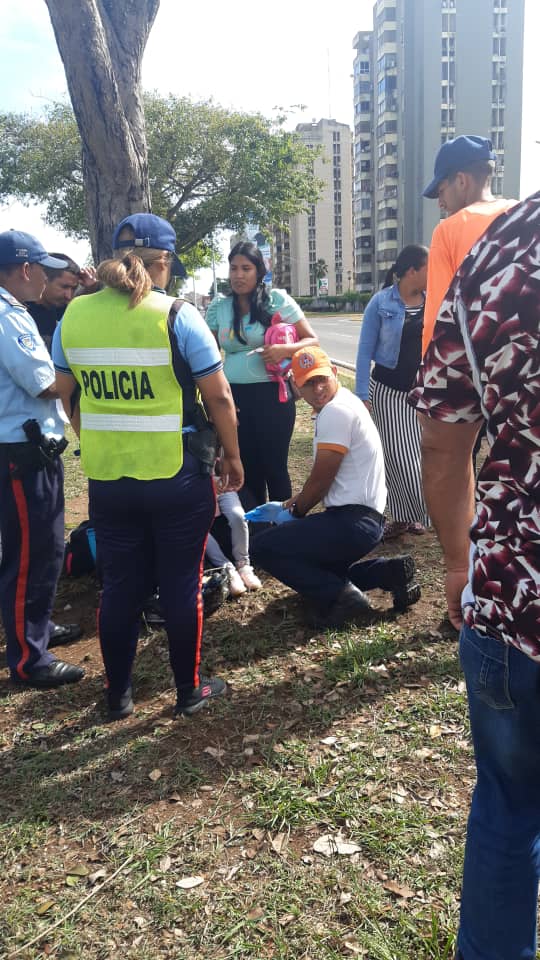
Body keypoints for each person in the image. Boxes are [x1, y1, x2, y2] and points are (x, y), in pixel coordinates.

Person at [409, 192, 540, 960]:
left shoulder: (494, 254)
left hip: (509, 595)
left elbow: (441, 446)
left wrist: (459, 566)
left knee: (507, 806)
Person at [53, 213, 243, 721]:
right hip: (176, 474)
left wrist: (91, 436)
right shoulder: (177, 313)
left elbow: (64, 396)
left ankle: (117, 697)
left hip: (109, 478)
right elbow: (219, 396)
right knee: (181, 582)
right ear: (163, 262)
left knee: (119, 586)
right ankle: (188, 690)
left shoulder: (74, 316)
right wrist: (234, 454)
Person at [251, 347, 420, 627]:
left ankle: (342, 598)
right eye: (309, 383)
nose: (317, 389)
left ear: (334, 373)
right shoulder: (345, 403)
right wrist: (287, 504)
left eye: (322, 380)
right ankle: (386, 573)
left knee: (263, 547)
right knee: (322, 567)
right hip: (365, 520)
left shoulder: (335, 412)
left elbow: (321, 480)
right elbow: (330, 479)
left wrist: (294, 514)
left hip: (351, 522)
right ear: (297, 385)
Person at [0, 230, 84, 689]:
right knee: (30, 555)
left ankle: (36, 628)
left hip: (30, 447)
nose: (49, 278)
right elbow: (47, 384)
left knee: (44, 548)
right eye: (43, 268)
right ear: (26, 269)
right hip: (21, 452)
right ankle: (29, 659)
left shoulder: (16, 313)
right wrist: (81, 365)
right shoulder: (8, 317)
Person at [205, 241, 318, 507]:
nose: (238, 275)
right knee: (246, 466)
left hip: (273, 397)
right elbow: (207, 357)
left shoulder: (276, 300)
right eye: (233, 268)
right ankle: (254, 533)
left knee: (274, 467)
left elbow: (312, 340)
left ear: (259, 271)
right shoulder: (219, 307)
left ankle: (281, 531)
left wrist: (285, 349)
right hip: (232, 400)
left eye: (246, 268)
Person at [355, 244, 430, 539]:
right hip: (387, 391)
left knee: (419, 455)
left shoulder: (432, 300)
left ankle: (408, 517)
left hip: (422, 392)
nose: (432, 273)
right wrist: (362, 394)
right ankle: (409, 516)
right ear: (412, 271)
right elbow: (363, 352)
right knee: (400, 457)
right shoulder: (381, 302)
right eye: (428, 268)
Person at [422, 134, 516, 356]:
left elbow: (437, 320)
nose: (440, 202)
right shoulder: (523, 216)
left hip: (475, 369)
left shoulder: (449, 230)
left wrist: (428, 380)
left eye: (442, 190)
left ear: (462, 181)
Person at [26, 254, 98, 353]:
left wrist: (90, 288)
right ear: (44, 280)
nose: (68, 296)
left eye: (73, 288)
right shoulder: (20, 311)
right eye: (64, 287)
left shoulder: (57, 306)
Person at [205, 488, 262, 596]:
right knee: (199, 528)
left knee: (238, 516)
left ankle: (243, 564)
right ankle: (227, 569)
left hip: (221, 485)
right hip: (191, 491)